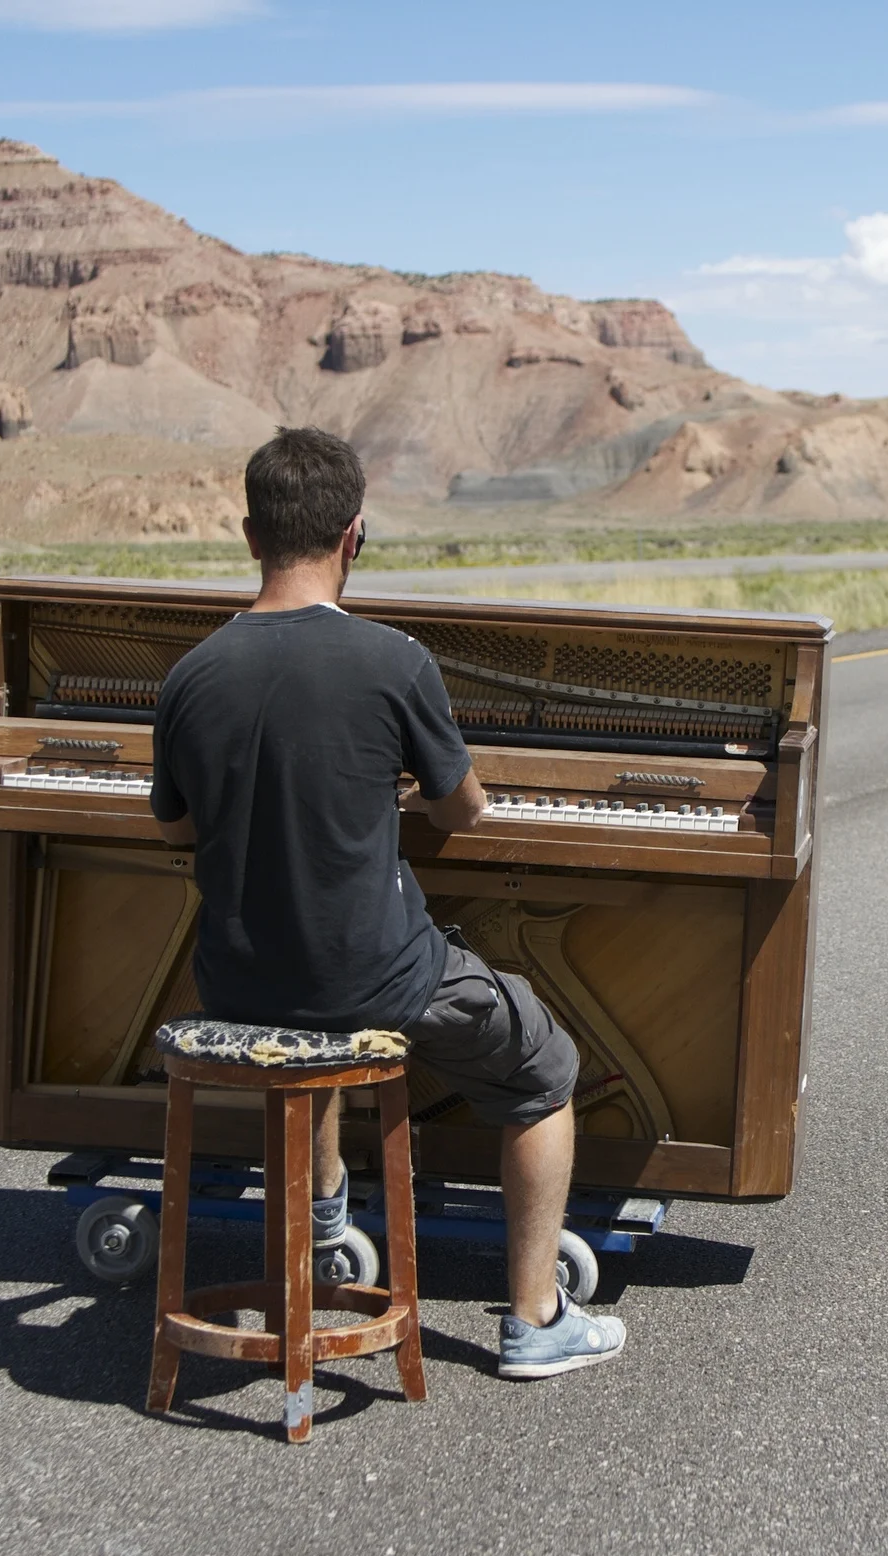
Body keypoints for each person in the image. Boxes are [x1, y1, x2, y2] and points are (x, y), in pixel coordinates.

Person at [148, 426, 624, 1380]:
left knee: (303, 1000)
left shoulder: (190, 676)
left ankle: (325, 1216)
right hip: (378, 980)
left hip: (237, 983)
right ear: (354, 536)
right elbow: (464, 808)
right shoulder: (392, 661)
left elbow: (177, 828)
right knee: (546, 1068)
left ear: (250, 535)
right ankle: (536, 1318)